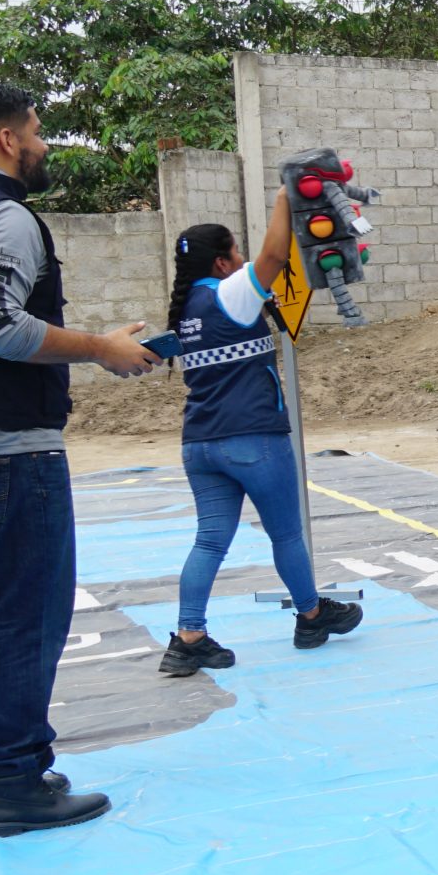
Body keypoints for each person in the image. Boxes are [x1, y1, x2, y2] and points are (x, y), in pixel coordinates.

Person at [0, 81, 163, 835]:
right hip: (4, 455)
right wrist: (100, 348)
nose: (44, 144)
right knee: (22, 620)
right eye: (37, 131)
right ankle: (13, 781)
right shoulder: (2, 215)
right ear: (8, 140)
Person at [156, 210, 363, 681]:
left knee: (209, 541)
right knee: (286, 535)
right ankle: (311, 617)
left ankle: (189, 639)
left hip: (200, 444)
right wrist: (288, 196)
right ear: (222, 263)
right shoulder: (232, 294)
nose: (242, 258)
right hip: (253, 439)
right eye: (235, 251)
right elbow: (274, 254)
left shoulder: (184, 309)